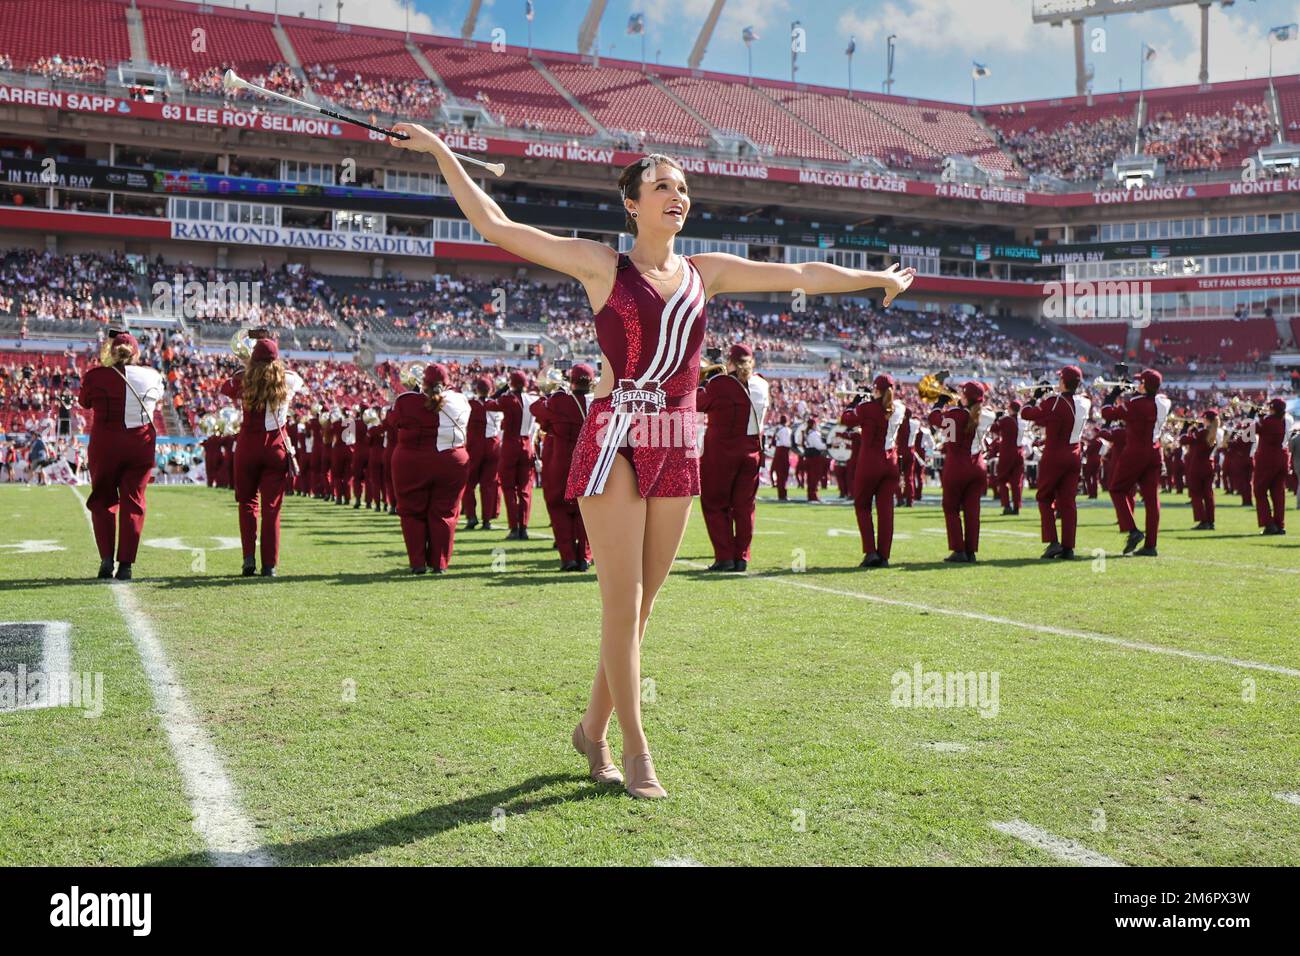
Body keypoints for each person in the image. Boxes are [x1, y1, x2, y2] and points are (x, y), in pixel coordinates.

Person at [388, 127, 913, 798]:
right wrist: (437, 148)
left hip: (675, 436)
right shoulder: (603, 267)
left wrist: (875, 279)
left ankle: (588, 727)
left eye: (684, 187)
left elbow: (803, 274)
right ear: (631, 203)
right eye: (662, 186)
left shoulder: (708, 272)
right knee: (620, 602)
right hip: (613, 437)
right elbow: (496, 225)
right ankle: (631, 749)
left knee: (641, 612)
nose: (678, 196)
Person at [76, 330, 164, 580]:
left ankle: (106, 559)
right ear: (136, 353)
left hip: (105, 442)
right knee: (134, 500)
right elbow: (159, 401)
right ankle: (126, 565)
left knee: (103, 499)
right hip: (140, 444)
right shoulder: (153, 375)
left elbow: (84, 402)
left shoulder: (96, 376)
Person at [220, 336, 303, 577]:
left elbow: (226, 387)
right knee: (271, 509)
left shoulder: (243, 379)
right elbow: (298, 378)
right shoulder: (288, 379)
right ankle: (270, 566)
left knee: (247, 503)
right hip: (275, 447)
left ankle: (248, 559)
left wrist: (247, 363)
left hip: (248, 446)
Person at [388, 364, 472, 572]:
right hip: (452, 461)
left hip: (413, 461)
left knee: (412, 512)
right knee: (445, 513)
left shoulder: (407, 400)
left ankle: (417, 563)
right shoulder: (460, 399)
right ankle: (440, 563)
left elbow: (392, 421)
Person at [696, 343, 769, 572]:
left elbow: (697, 403)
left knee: (715, 504)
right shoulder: (762, 384)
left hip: (721, 452)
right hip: (752, 451)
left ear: (730, 361)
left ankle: (724, 556)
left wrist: (705, 381)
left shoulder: (719, 384)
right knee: (745, 507)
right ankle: (742, 557)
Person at [1018, 366, 1090, 559]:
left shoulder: (1054, 402)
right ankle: (1068, 547)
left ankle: (1053, 542)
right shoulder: (1085, 402)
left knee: (1044, 497)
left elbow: (1026, 413)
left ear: (1063, 382)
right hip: (1074, 454)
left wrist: (1035, 396)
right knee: (1068, 502)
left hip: (1055, 454)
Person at [530, 364, 595, 570]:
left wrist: (555, 391)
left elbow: (536, 409)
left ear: (572, 380)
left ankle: (568, 557)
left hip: (561, 463)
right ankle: (584, 556)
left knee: (559, 509)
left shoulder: (559, 401)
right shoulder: (598, 402)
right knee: (587, 511)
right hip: (588, 464)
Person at [1101, 370, 1169, 557]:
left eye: (1140, 382)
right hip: (1155, 452)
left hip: (1136, 451)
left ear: (1144, 385)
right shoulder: (1164, 402)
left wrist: (1114, 394)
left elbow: (1106, 412)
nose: (1137, 385)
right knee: (1151, 500)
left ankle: (1132, 530)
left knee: (1116, 489)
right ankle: (1151, 545)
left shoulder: (1135, 403)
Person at [840, 374, 905, 568]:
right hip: (890, 461)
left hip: (870, 462)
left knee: (862, 506)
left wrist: (854, 403)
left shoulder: (866, 408)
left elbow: (846, 420)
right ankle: (884, 555)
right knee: (886, 510)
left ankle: (870, 552)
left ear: (876, 389)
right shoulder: (900, 408)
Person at [929, 381, 994, 563]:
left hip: (957, 464)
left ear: (966, 397)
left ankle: (959, 550)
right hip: (977, 465)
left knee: (951, 508)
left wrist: (940, 403)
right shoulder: (987, 414)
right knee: (973, 510)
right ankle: (971, 550)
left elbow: (934, 419)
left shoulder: (956, 414)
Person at [485, 371, 536, 539]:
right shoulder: (532, 398)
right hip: (527, 444)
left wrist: (502, 389)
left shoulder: (508, 399)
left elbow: (489, 403)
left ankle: (514, 528)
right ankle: (525, 527)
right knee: (525, 489)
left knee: (508, 488)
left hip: (510, 445)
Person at [462, 375, 503, 531]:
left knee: (469, 483)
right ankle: (487, 520)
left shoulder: (471, 404)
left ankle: (472, 516)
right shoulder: (497, 404)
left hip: (475, 447)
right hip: (493, 445)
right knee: (489, 485)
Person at [1253, 398, 1294, 534]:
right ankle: (1279, 524)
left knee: (1259, 490)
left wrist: (1253, 416)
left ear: (1273, 408)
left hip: (1267, 458)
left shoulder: (1268, 420)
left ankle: (1269, 524)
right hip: (1283, 457)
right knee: (1278, 493)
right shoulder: (1288, 420)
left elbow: (1251, 431)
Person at [1181, 410, 1219, 531]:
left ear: (1207, 419)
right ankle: (1210, 521)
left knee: (1196, 494)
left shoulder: (1202, 433)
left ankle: (1203, 521)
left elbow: (1183, 440)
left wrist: (1185, 428)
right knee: (1208, 495)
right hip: (1209, 465)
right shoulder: (1215, 432)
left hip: (1198, 466)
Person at [771, 415, 793, 500]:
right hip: (784, 452)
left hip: (778, 451)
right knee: (783, 474)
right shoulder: (787, 430)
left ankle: (781, 494)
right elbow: (788, 443)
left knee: (779, 474)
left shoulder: (777, 429)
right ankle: (783, 494)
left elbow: (773, 442)